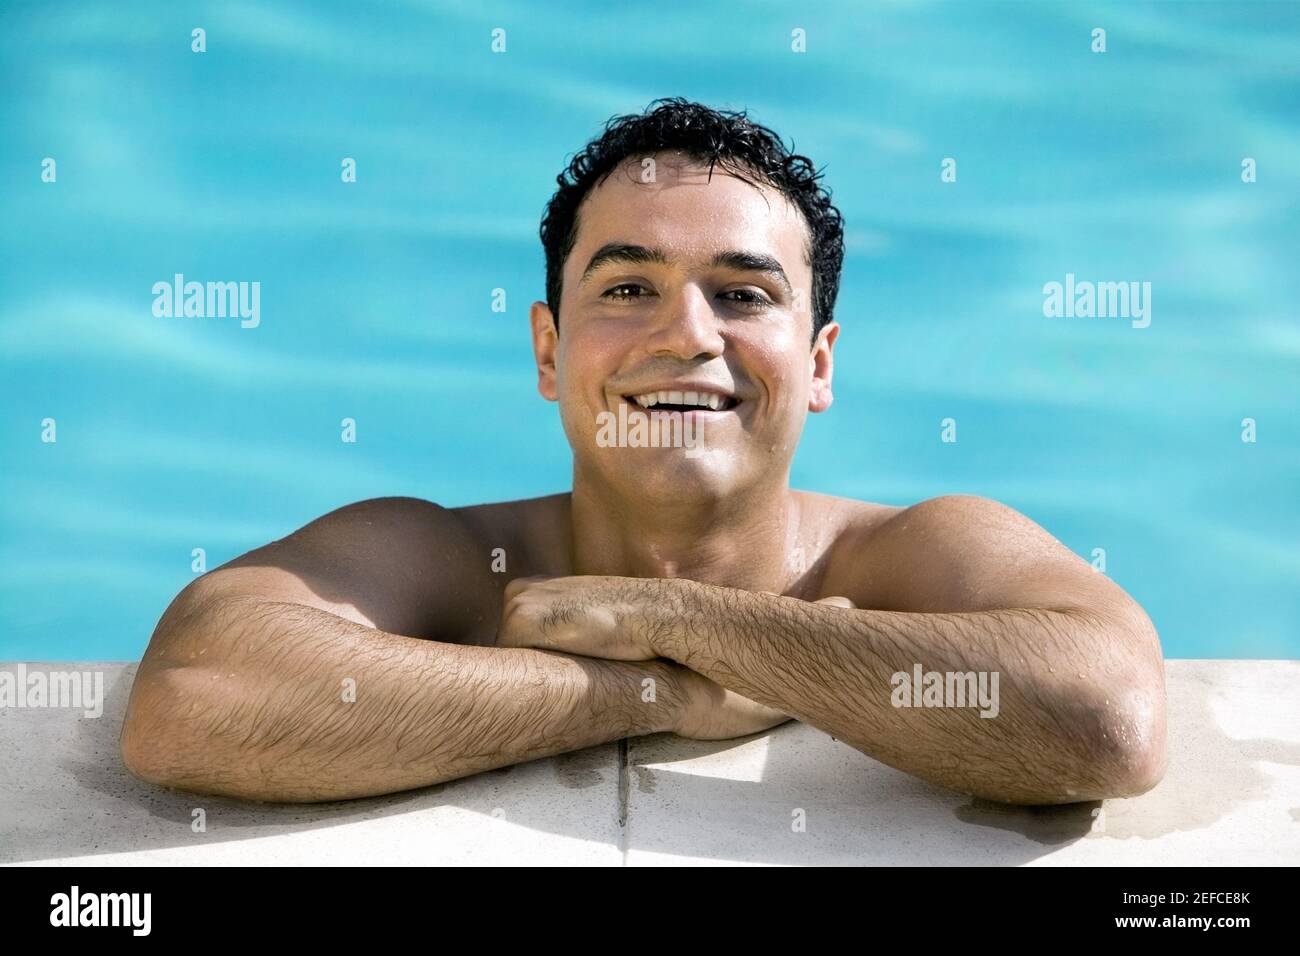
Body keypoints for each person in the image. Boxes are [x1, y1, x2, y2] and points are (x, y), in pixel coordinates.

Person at [120, 98, 1166, 806]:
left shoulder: (911, 549)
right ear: (547, 348)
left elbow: (1107, 718)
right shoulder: (443, 555)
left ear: (816, 363)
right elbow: (192, 695)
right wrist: (659, 691)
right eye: (627, 288)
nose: (687, 334)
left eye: (742, 292)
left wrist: (669, 619)